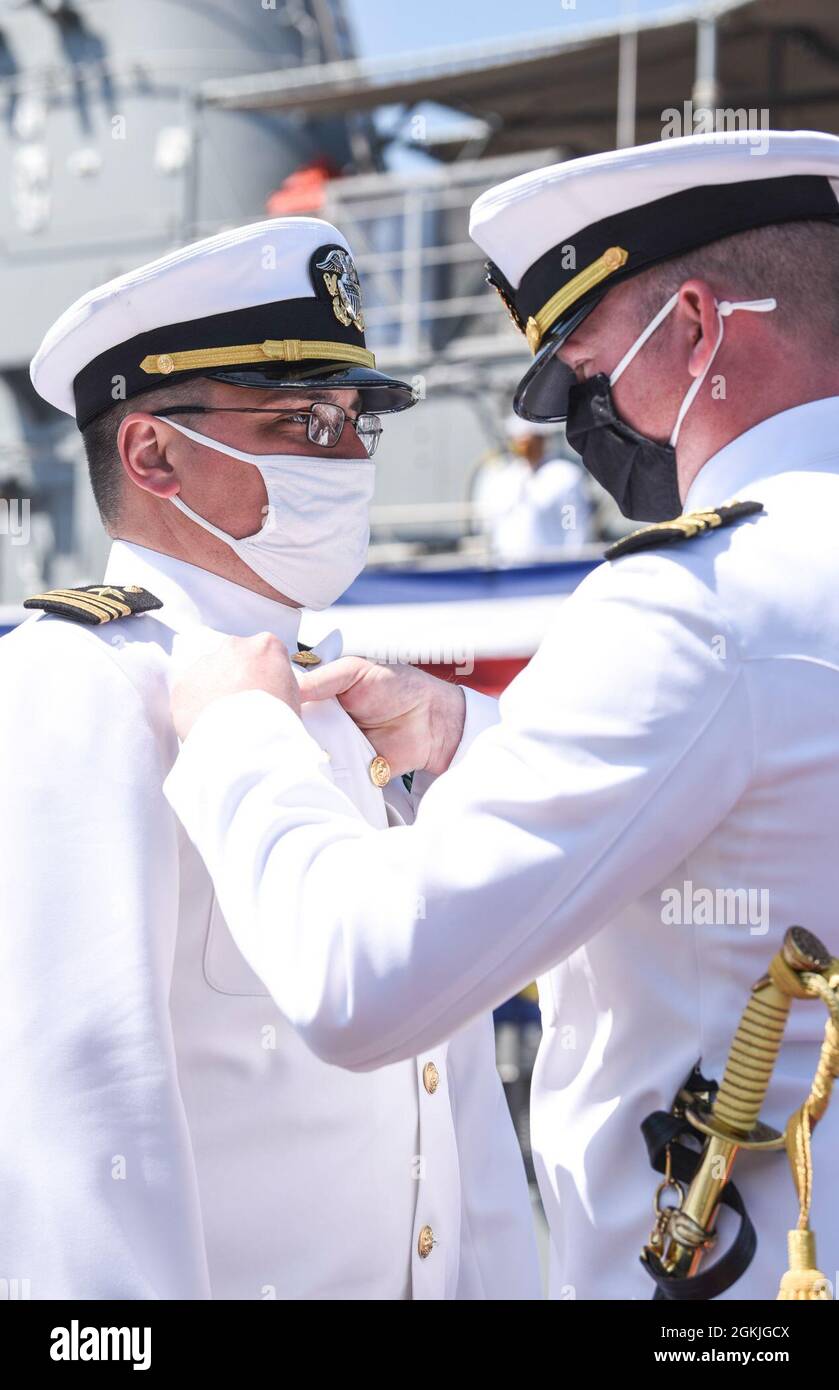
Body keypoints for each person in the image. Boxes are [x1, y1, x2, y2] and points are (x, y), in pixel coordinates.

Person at [164, 130, 839, 1301]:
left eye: (585, 370)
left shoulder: (694, 606)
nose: (583, 419)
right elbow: (739, 801)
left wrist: (240, 736)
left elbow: (362, 982)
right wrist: (464, 740)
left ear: (694, 329)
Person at [1, 216, 540, 1300]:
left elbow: (446, 1098)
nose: (347, 456)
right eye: (303, 419)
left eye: (353, 423)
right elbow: (77, 1127)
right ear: (153, 451)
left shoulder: (344, 691)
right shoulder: (82, 685)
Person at [471, 414, 592, 559]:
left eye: (529, 438)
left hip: (550, 569)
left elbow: (574, 526)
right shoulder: (502, 477)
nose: (523, 444)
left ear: (542, 439)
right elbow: (488, 525)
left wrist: (571, 566)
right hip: (507, 569)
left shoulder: (564, 477)